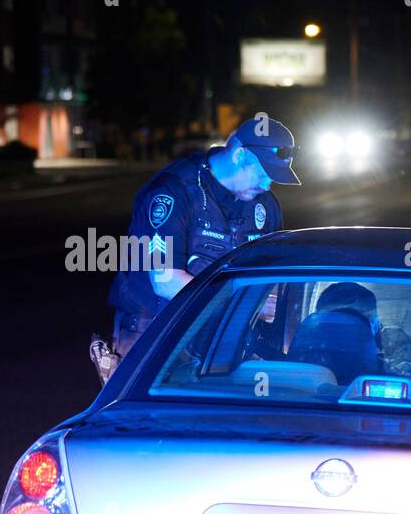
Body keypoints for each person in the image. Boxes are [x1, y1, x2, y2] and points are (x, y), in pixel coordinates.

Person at [91, 117, 300, 382]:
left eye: (273, 177)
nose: (268, 184)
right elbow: (165, 280)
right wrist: (238, 302)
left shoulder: (266, 205)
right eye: (263, 172)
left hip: (222, 328)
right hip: (156, 326)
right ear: (238, 155)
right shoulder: (174, 192)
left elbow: (273, 272)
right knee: (151, 418)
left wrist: (268, 299)